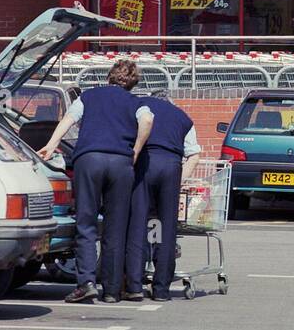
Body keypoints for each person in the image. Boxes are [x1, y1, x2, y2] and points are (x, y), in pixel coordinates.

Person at [40, 60, 153, 304]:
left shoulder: (89, 96)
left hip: (89, 159)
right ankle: (112, 290)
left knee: (86, 222)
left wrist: (51, 145)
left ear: (110, 76)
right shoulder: (137, 102)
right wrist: (135, 150)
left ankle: (86, 283)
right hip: (121, 163)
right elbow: (147, 121)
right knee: (116, 226)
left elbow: (69, 119)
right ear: (133, 83)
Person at [128, 96, 201, 301]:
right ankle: (161, 289)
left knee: (138, 224)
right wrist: (179, 179)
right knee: (167, 228)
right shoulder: (182, 117)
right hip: (171, 167)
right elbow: (194, 155)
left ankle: (134, 284)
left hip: (146, 163)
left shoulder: (139, 108)